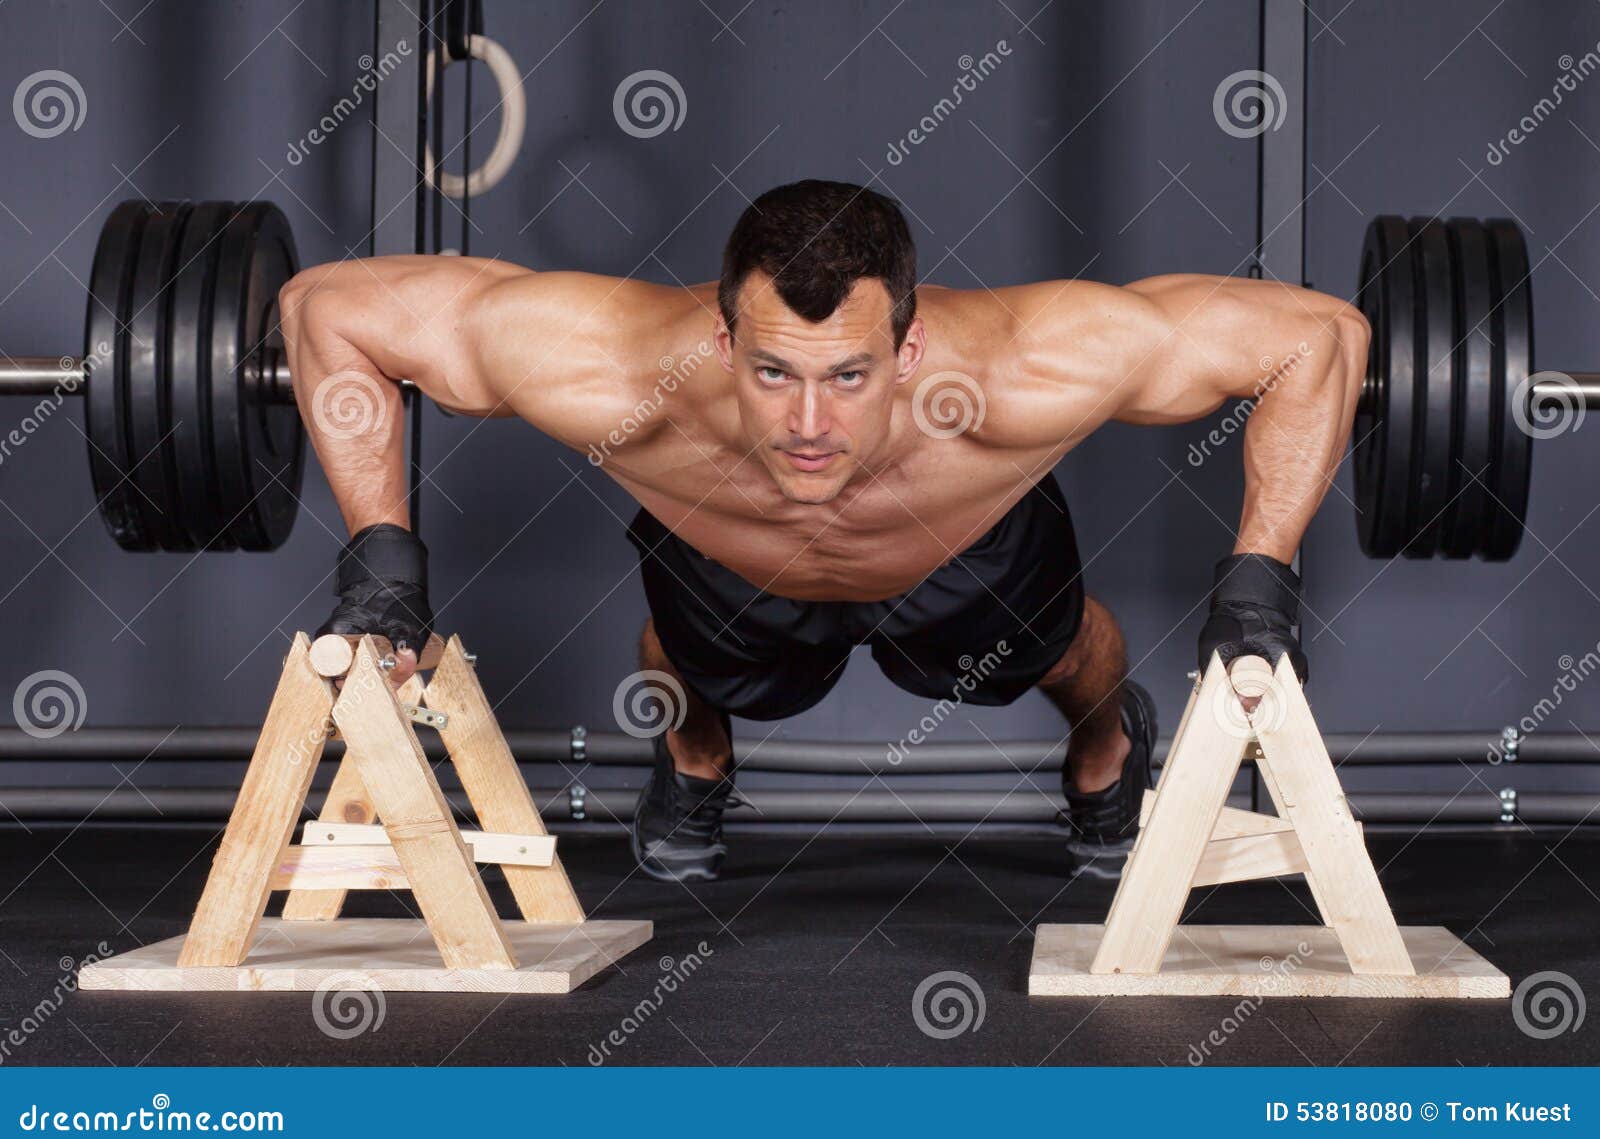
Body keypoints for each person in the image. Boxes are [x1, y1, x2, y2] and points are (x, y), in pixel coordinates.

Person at [279, 178, 1367, 884]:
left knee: (1069, 650)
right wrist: (385, 565)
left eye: (849, 375)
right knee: (676, 646)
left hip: (962, 547)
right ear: (720, 336)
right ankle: (698, 755)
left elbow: (1315, 340)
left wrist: (1256, 580)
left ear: (909, 342)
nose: (808, 423)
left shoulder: (1028, 365)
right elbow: (330, 311)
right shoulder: (607, 362)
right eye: (771, 374)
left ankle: (1102, 747)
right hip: (729, 560)